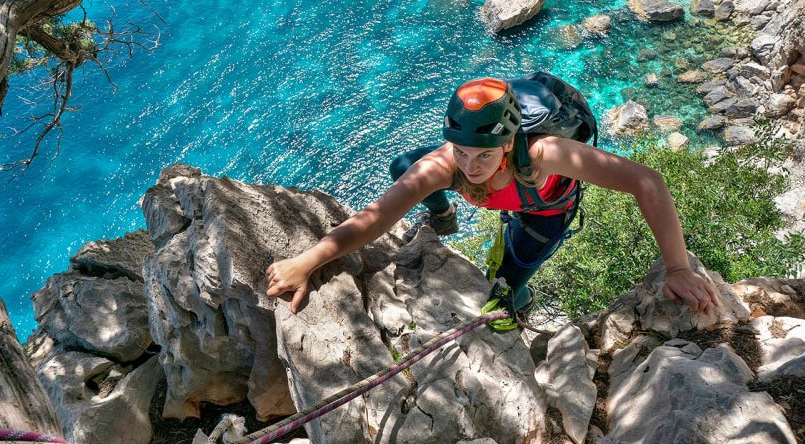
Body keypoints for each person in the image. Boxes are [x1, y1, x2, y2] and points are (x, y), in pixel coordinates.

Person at [265, 76, 717, 321]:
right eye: (461, 151)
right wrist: (310, 260)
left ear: (508, 144)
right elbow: (377, 217)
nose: (470, 165)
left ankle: (518, 301)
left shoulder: (543, 154)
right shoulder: (447, 165)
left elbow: (648, 183)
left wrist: (677, 268)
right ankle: (443, 218)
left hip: (544, 211)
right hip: (508, 199)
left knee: (504, 283)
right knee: (404, 167)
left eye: (483, 154)